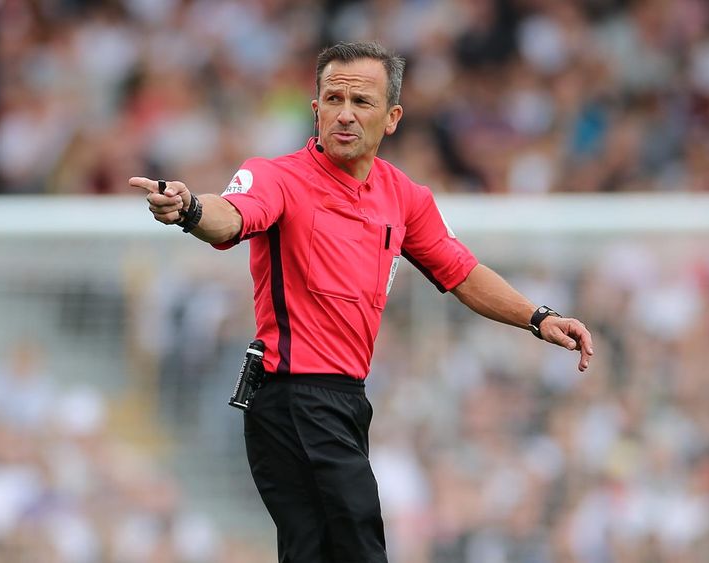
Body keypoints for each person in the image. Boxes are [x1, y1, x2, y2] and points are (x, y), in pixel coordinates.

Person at [131, 41, 594, 563]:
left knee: (313, 551)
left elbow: (461, 271)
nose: (345, 114)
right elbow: (233, 215)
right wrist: (190, 209)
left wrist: (539, 317)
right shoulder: (277, 176)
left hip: (347, 399)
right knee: (358, 539)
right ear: (316, 109)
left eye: (362, 102)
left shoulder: (404, 196)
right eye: (333, 99)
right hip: (293, 396)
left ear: (392, 117)